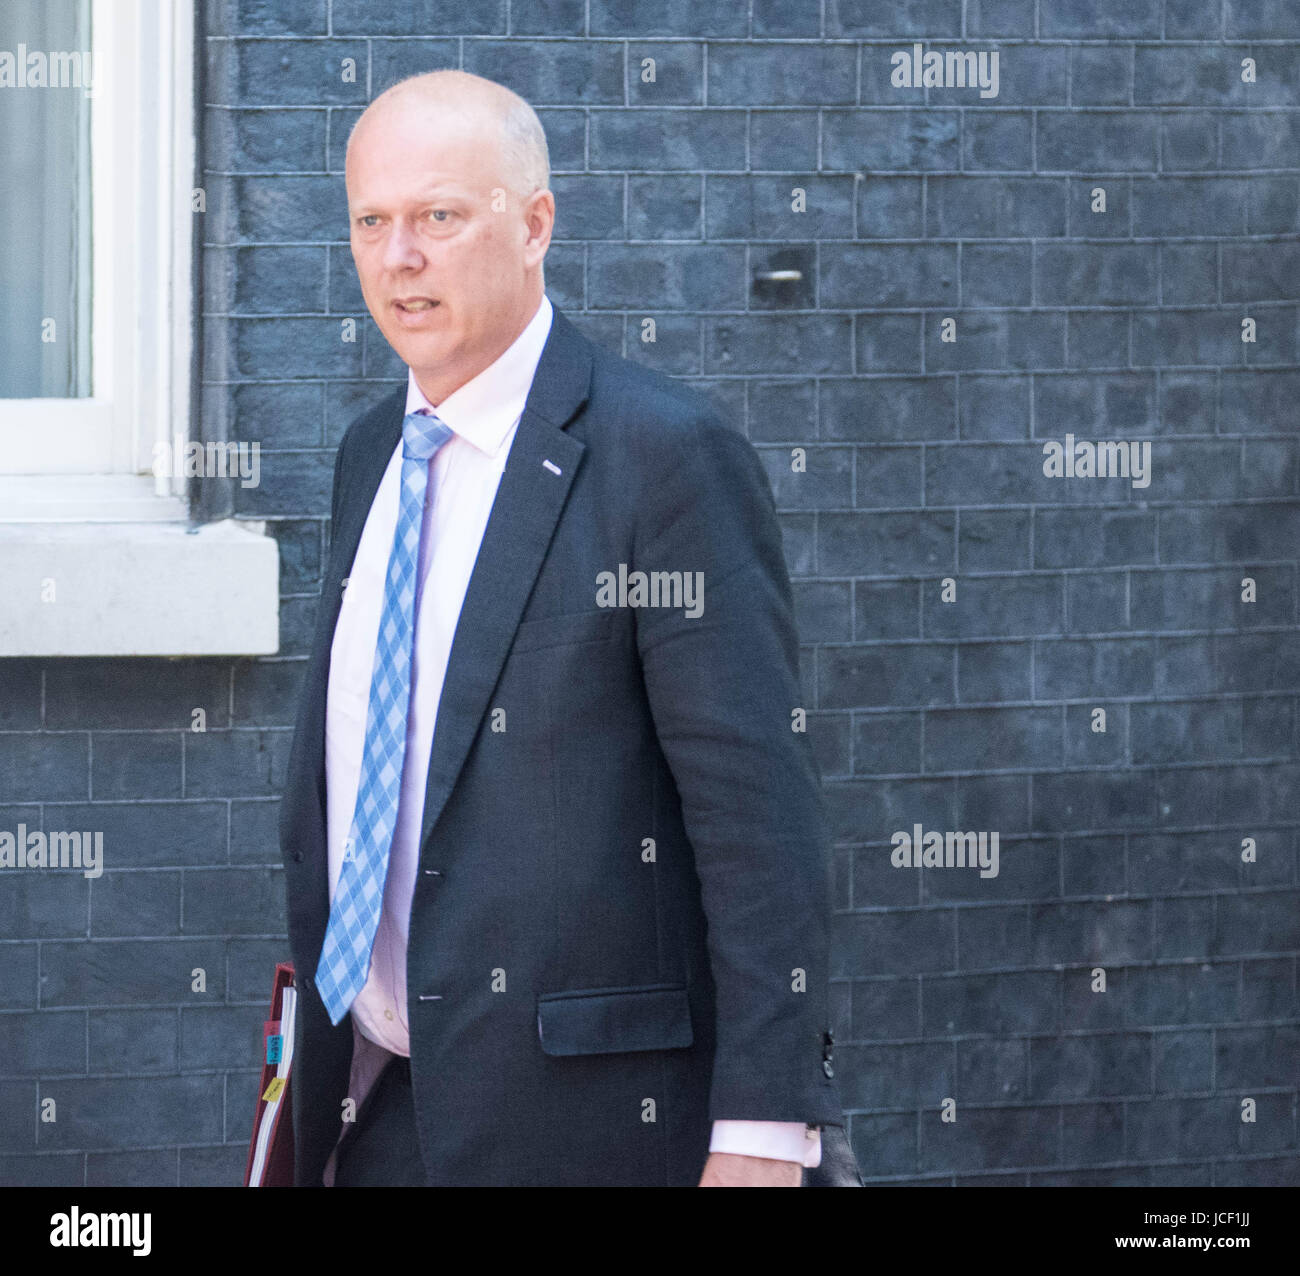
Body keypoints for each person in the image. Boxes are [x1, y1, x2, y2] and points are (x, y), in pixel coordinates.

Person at [278, 69, 847, 1187]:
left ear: (536, 223)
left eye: (439, 216)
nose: (400, 257)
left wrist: (764, 1129)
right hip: (375, 1104)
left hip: (591, 1127)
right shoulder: (368, 459)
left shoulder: (663, 457)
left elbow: (759, 817)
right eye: (372, 221)